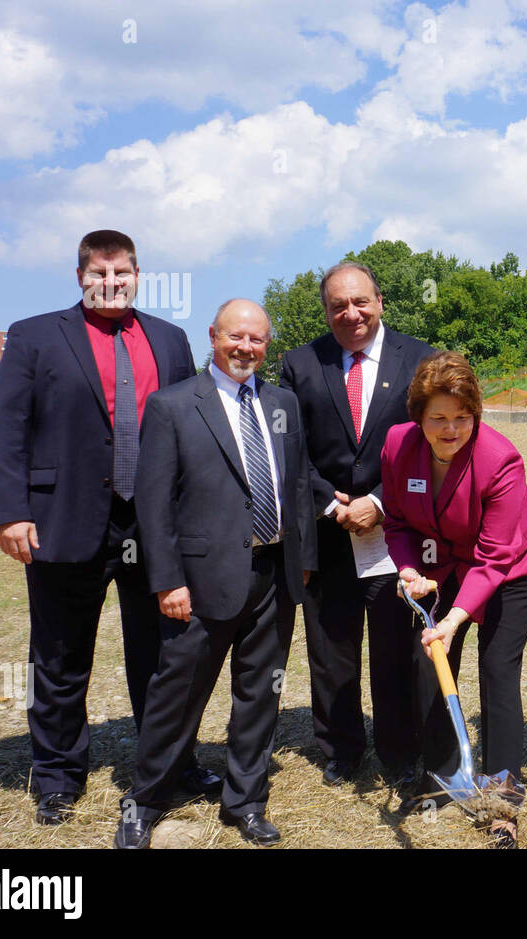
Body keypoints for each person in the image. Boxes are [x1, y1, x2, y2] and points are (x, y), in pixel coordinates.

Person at [0, 229, 219, 826]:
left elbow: (191, 425)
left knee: (164, 656)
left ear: (138, 275)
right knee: (60, 657)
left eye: (121, 275)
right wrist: (11, 510)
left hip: (152, 523)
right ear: (81, 276)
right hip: (62, 521)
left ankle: (170, 762)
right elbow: (7, 425)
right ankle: (59, 775)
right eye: (99, 274)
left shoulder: (169, 339)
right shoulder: (34, 335)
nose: (110, 284)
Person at [114, 299, 316, 848]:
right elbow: (153, 505)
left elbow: (297, 486)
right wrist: (167, 580)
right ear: (213, 336)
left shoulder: (284, 404)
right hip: (199, 583)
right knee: (176, 696)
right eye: (236, 337)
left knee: (259, 695)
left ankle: (245, 801)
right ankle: (145, 801)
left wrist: (303, 564)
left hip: (274, 576)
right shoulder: (173, 405)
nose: (246, 348)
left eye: (257, 339)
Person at [380, 351, 527, 847]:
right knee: (430, 657)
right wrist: (409, 570)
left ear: (476, 414)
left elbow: (494, 557)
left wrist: (454, 618)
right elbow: (397, 522)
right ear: (419, 417)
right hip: (445, 563)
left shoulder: (500, 460)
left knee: (497, 669)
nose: (450, 429)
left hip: (509, 567)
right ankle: (443, 775)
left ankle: (502, 799)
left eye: (461, 417)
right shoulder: (396, 446)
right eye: (438, 418)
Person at [280, 261, 433, 791]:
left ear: (380, 300)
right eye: (337, 306)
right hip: (327, 532)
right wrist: (332, 504)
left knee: (395, 647)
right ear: (325, 311)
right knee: (331, 648)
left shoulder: (420, 359)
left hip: (396, 533)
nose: (351, 314)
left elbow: (433, 446)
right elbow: (290, 450)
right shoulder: (299, 364)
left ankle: (400, 751)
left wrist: (379, 501)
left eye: (360, 301)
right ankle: (341, 748)